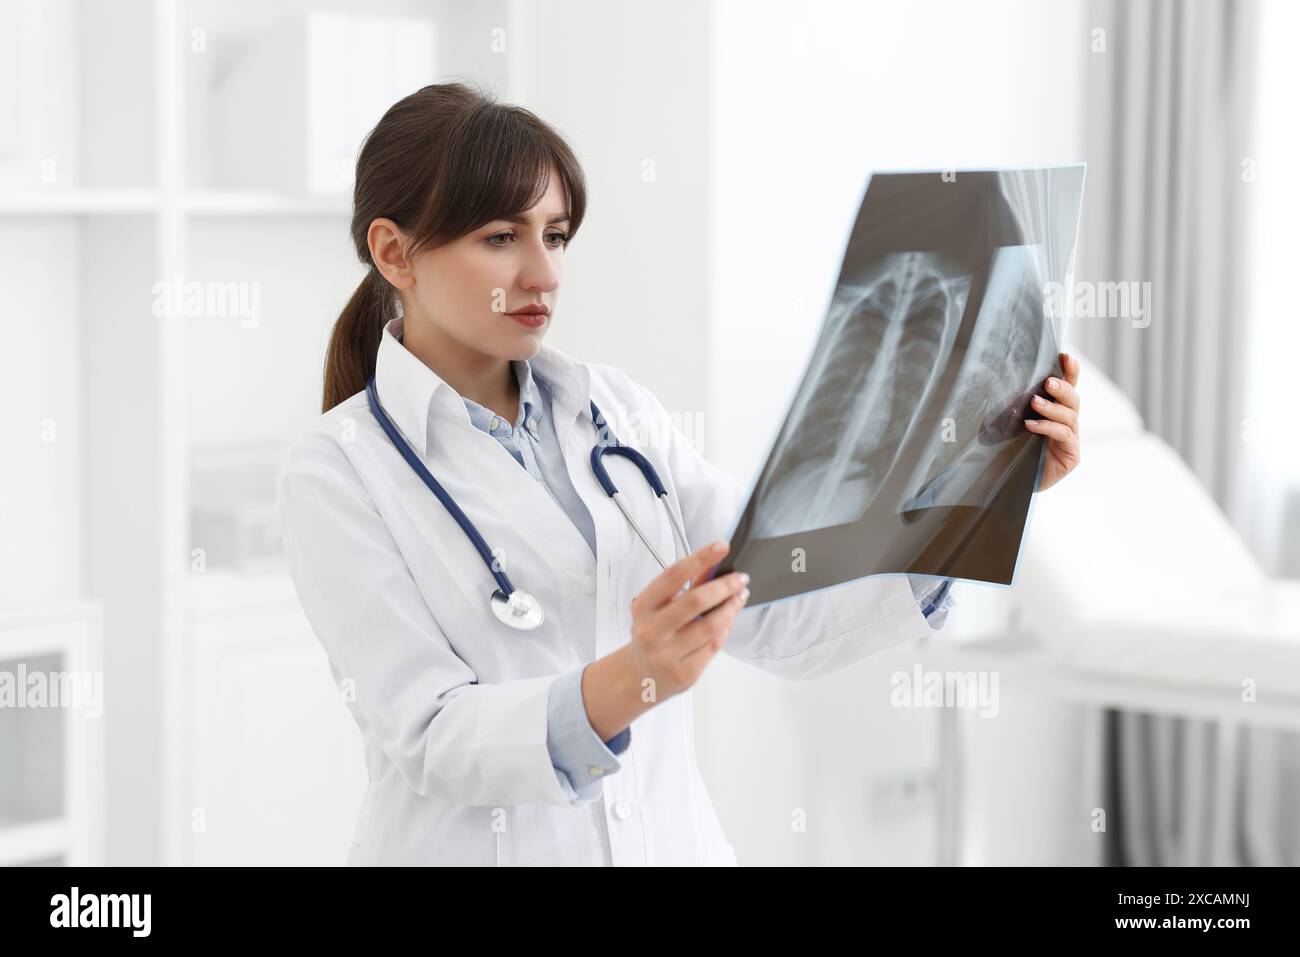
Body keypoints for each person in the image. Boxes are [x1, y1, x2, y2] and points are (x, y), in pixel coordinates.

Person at [277, 82, 1083, 866]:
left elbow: (774, 606)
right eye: (501, 238)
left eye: (554, 235)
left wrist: (988, 487)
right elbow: (430, 733)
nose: (545, 274)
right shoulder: (337, 470)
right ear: (395, 252)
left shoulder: (613, 412)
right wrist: (634, 678)